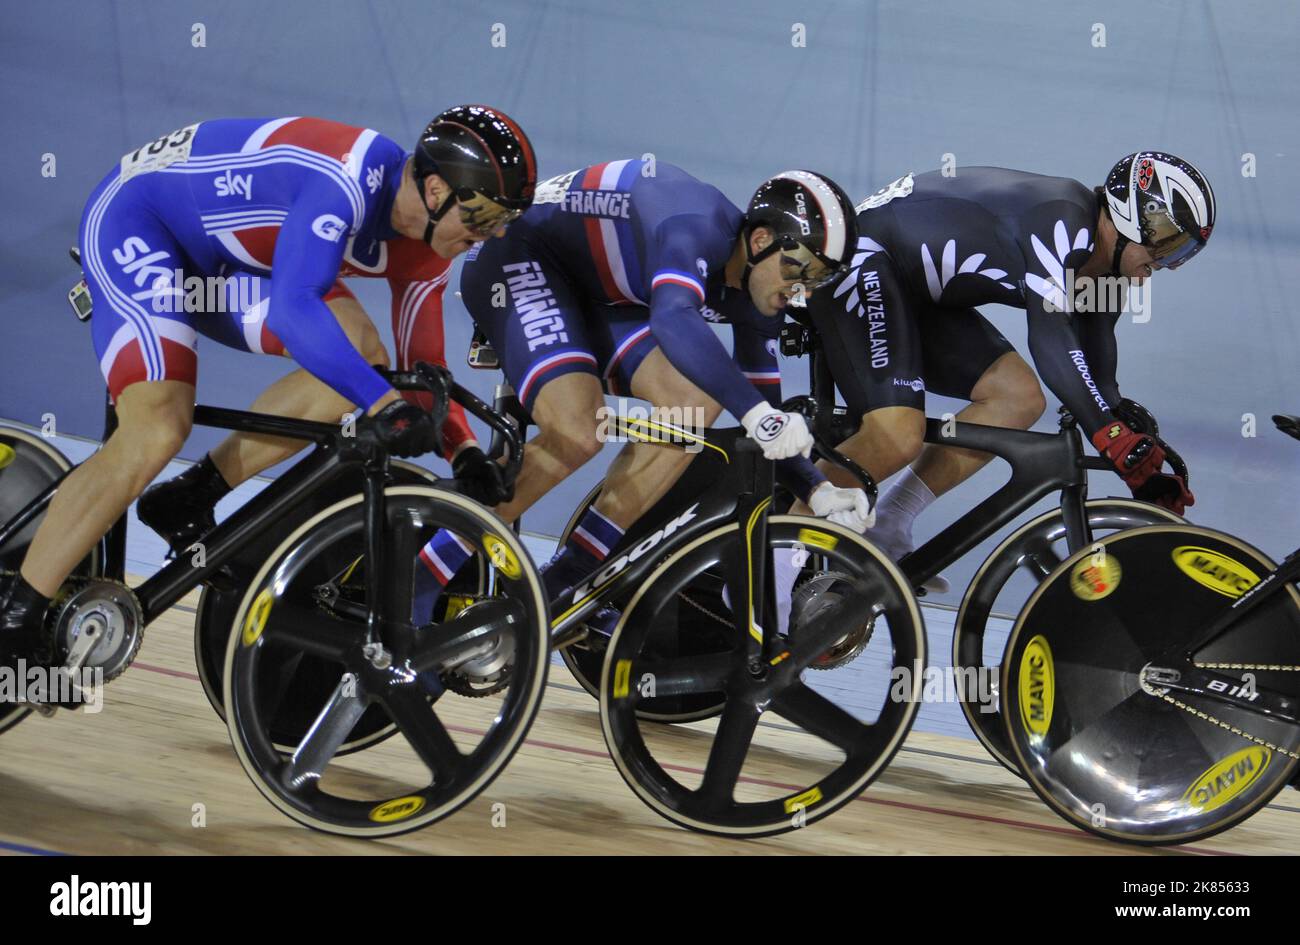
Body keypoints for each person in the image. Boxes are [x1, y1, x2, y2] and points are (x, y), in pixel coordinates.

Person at [0, 106, 537, 674]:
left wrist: (465, 450)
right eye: (483, 218)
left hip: (225, 262)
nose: (491, 235)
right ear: (435, 190)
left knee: (364, 356)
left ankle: (191, 493)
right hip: (141, 221)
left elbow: (423, 371)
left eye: (502, 221)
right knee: (157, 426)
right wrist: (384, 406)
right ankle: (15, 618)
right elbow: (295, 308)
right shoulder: (347, 179)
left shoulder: (431, 247)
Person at [413, 163, 872, 619]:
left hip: (596, 293)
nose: (802, 291)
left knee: (695, 405)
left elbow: (767, 418)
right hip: (519, 256)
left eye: (818, 279)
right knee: (578, 429)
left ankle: (567, 579)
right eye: (800, 269)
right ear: (760, 241)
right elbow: (673, 318)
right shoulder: (693, 227)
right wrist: (758, 416)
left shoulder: (762, 289)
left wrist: (818, 490)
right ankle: (418, 583)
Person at [798, 152, 1210, 589]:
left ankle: (889, 525)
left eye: (1180, 254)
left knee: (1018, 398)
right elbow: (1051, 338)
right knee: (897, 433)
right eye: (1167, 246)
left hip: (915, 291)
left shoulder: (1108, 273)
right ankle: (777, 538)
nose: (1164, 265)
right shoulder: (1064, 218)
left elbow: (1098, 374)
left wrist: (1124, 429)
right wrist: (1111, 437)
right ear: (1133, 216)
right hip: (864, 258)